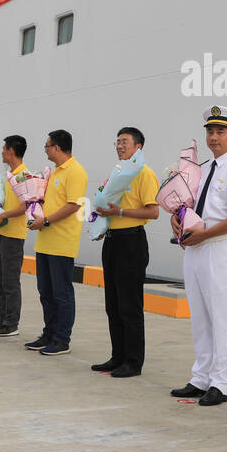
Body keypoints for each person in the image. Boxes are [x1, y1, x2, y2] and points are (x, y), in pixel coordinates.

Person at [169, 106, 227, 406]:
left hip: (220, 249)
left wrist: (205, 234)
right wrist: (176, 222)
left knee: (223, 319)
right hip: (194, 249)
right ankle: (200, 377)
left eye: (220, 132)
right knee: (200, 318)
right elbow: (187, 206)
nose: (214, 137)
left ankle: (221, 383)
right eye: (210, 131)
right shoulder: (200, 169)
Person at [92, 127, 160, 378]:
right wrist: (103, 223)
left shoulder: (144, 173)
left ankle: (133, 361)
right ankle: (117, 356)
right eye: (117, 142)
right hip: (112, 240)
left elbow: (153, 211)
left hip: (131, 242)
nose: (119, 146)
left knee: (130, 305)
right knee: (113, 303)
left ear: (138, 147)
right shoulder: (118, 171)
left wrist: (119, 213)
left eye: (125, 142)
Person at [25, 130, 87, 355]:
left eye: (47, 146)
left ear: (57, 147)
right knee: (46, 292)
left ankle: (62, 340)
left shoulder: (75, 171)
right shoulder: (54, 173)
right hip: (45, 242)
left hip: (62, 243)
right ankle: (49, 334)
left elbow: (74, 205)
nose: (45, 150)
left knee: (61, 293)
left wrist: (47, 220)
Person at [0, 135, 30, 338]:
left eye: (4, 148)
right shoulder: (9, 174)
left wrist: (3, 215)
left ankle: (12, 323)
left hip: (14, 235)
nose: (2, 152)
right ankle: (3, 319)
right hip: (3, 232)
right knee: (1, 281)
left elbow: (25, 206)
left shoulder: (22, 175)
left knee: (11, 282)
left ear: (11, 150)